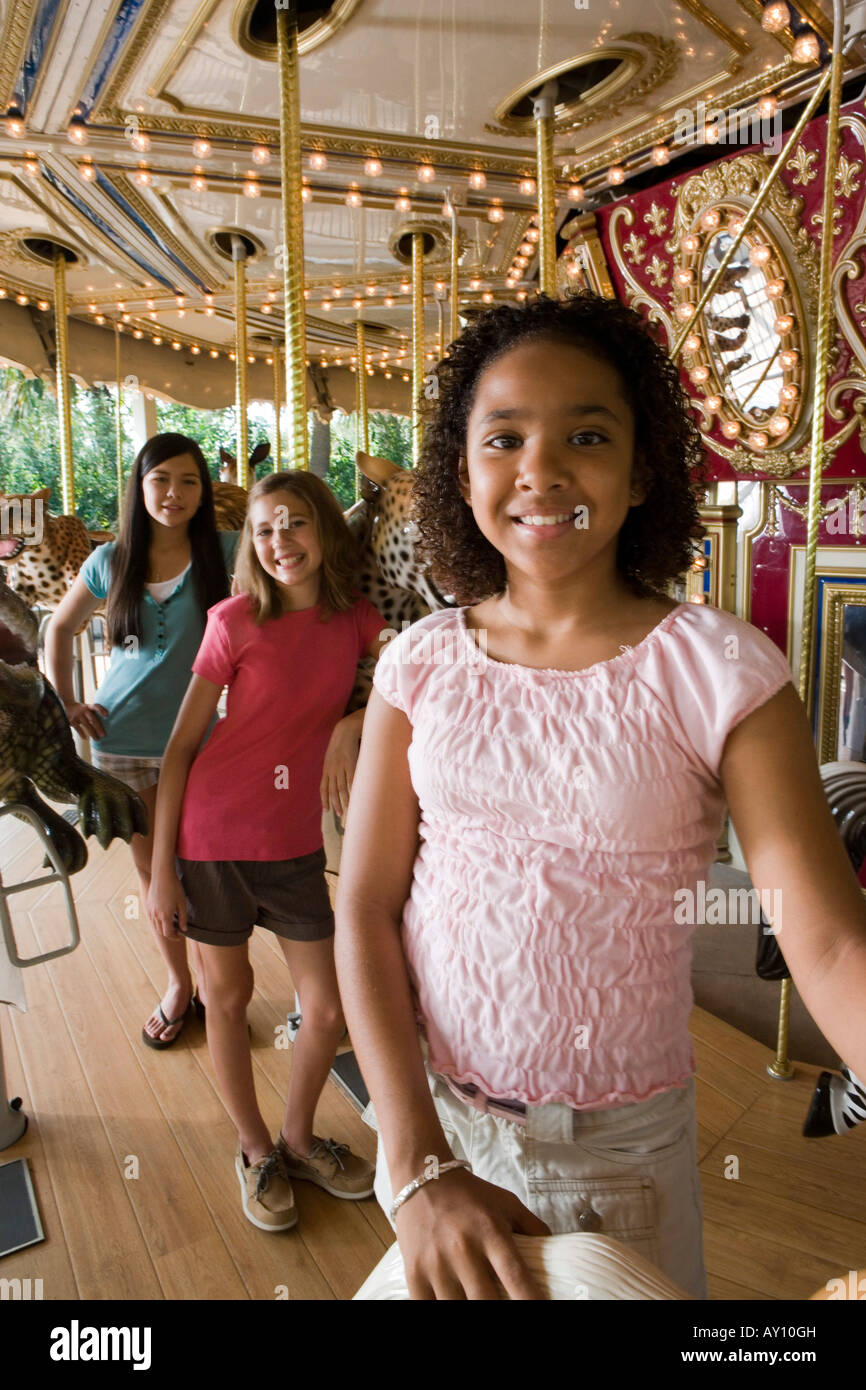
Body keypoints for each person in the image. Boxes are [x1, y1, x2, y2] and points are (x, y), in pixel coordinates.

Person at [334, 293, 866, 1300]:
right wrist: (412, 1160)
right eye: (503, 438)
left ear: (640, 470)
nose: (539, 470)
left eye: (585, 433)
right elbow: (363, 904)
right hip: (439, 1132)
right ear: (461, 472)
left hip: (616, 1162)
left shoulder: (716, 671)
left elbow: (825, 939)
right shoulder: (420, 663)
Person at [146, 471, 389, 1231]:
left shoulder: (356, 621)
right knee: (226, 997)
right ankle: (254, 1148)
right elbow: (180, 750)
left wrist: (354, 719)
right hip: (212, 836)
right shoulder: (234, 621)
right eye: (264, 530)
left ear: (324, 530)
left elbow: (412, 679)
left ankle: (297, 1135)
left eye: (294, 524)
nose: (280, 542)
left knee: (325, 1006)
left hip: (291, 848)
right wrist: (160, 873)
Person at [47, 432, 237, 1047]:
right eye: (161, 480)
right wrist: (67, 702)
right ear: (140, 486)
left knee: (199, 867)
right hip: (121, 734)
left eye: (188, 481)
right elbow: (59, 626)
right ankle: (180, 981)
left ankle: (215, 978)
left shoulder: (228, 554)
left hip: (201, 739)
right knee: (151, 873)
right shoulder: (112, 561)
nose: (174, 494)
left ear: (204, 490)